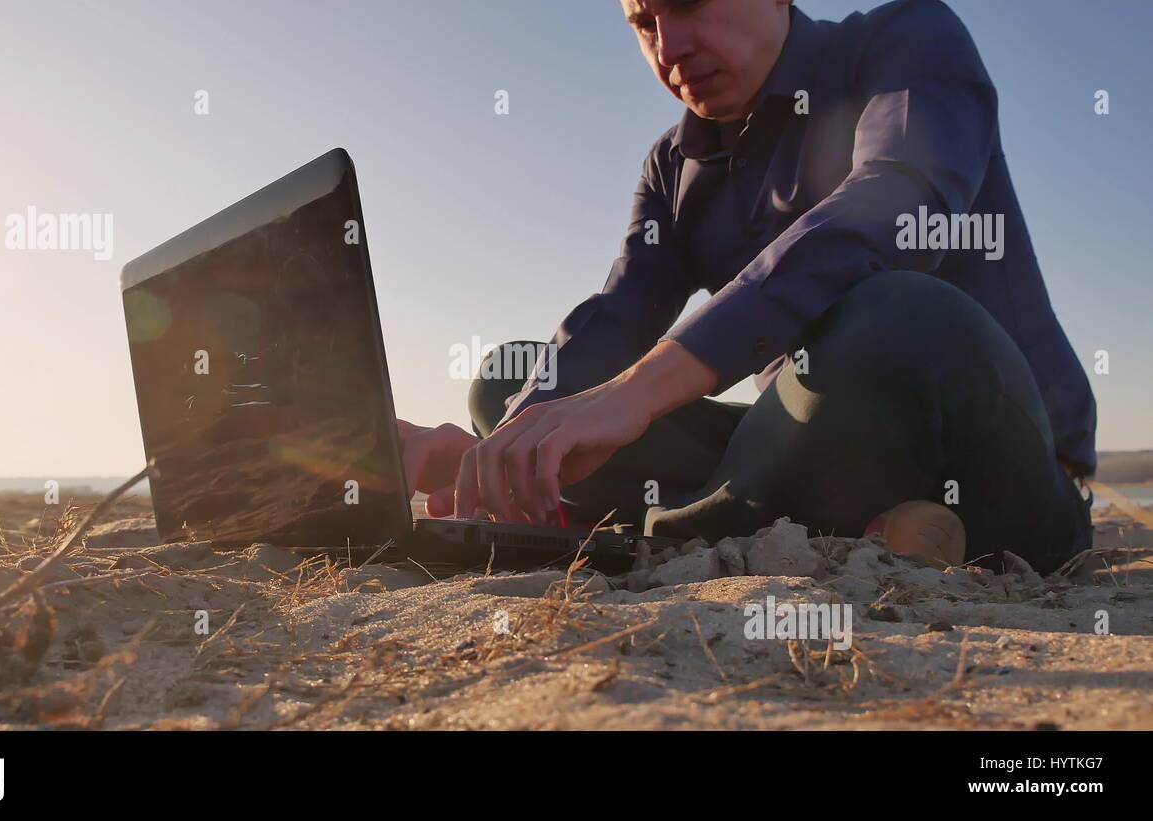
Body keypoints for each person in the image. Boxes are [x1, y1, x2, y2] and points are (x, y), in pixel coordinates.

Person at [398, 0, 1096, 574]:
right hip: (817, 449)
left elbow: (894, 205)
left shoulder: (911, 40)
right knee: (509, 380)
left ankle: (676, 526)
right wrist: (516, 435)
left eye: (687, 4)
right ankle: (847, 527)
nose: (668, 46)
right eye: (643, 23)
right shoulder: (675, 167)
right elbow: (618, 313)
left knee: (896, 309)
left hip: (987, 442)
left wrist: (637, 392)